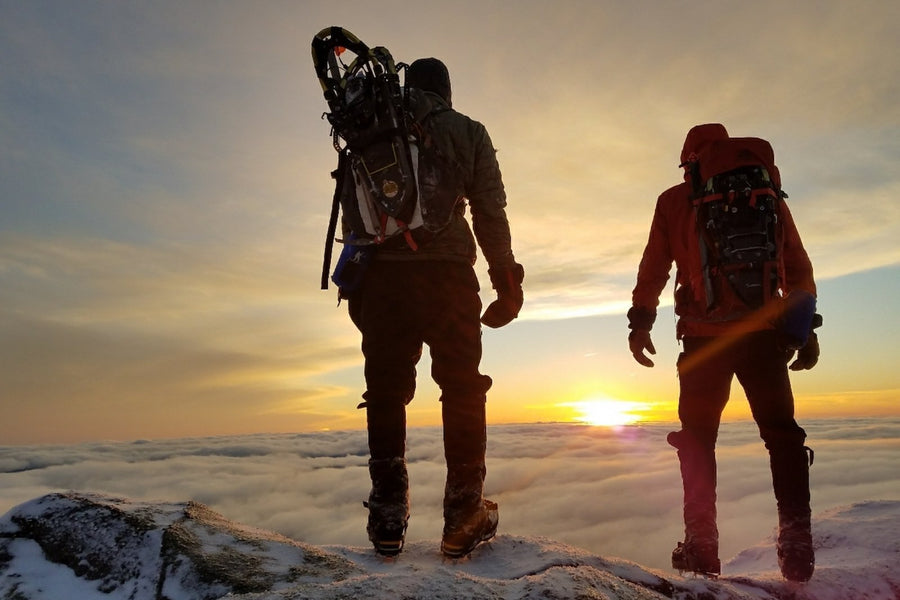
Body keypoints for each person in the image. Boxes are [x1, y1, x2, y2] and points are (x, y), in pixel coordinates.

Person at [341, 57, 524, 558]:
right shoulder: (467, 131)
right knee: (462, 384)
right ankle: (463, 514)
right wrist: (506, 282)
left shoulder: (369, 126)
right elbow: (490, 211)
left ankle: (386, 515)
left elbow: (354, 210)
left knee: (385, 391)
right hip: (446, 276)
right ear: (446, 91)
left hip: (379, 282)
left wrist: (358, 290)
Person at [627, 123, 820, 582]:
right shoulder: (767, 196)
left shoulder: (674, 201)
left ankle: (702, 545)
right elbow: (797, 265)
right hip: (764, 337)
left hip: (701, 340)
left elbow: (654, 266)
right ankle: (796, 539)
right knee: (782, 435)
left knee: (697, 438)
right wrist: (806, 329)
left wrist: (641, 321)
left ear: (689, 160)